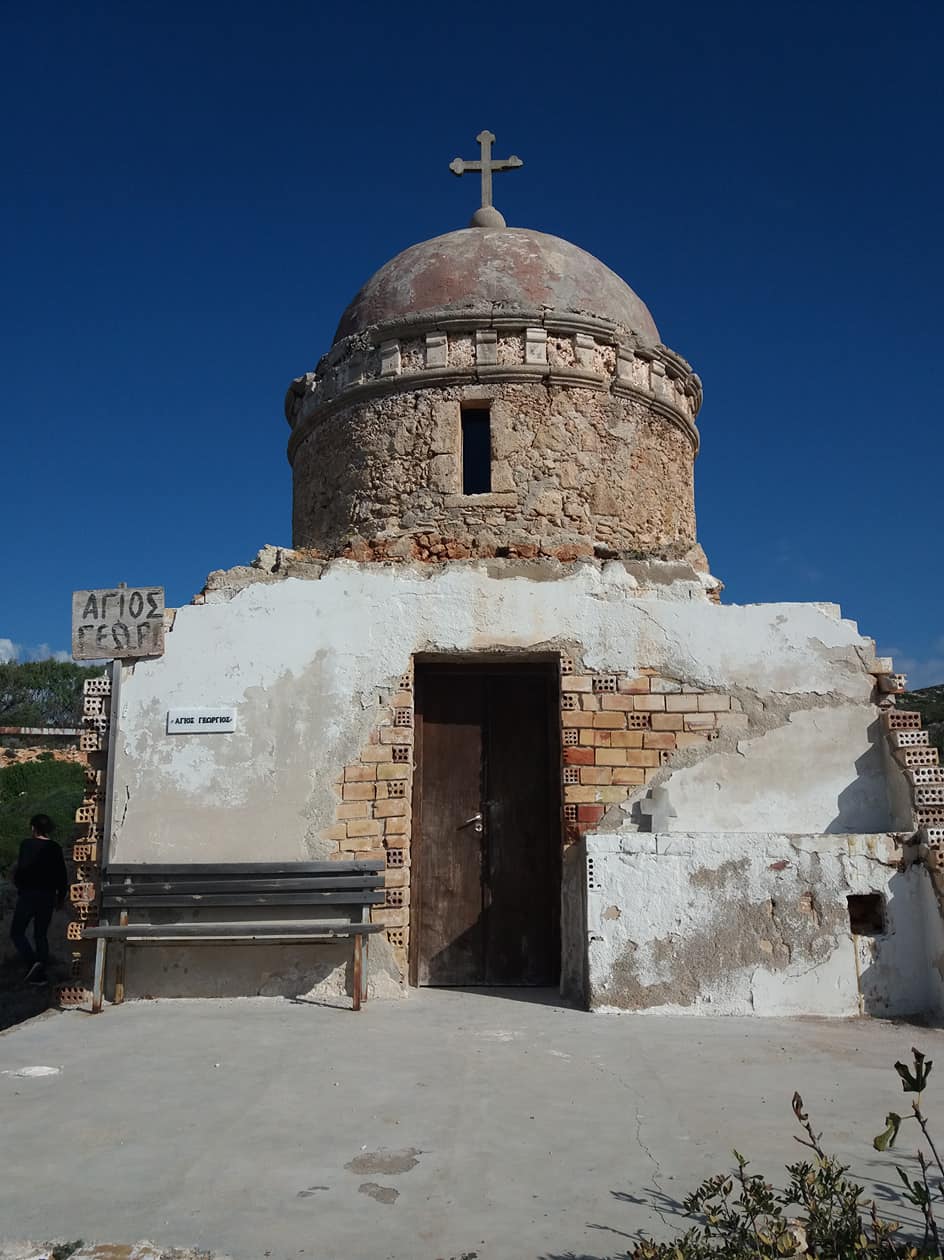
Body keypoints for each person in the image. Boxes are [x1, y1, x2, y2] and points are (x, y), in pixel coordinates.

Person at [10, 813, 68, 985]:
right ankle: (40, 973)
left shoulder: (26, 845)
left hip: (28, 895)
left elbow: (21, 869)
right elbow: (61, 875)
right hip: (48, 896)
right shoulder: (55, 847)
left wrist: (19, 886)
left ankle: (32, 962)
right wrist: (61, 897)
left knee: (17, 932)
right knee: (40, 935)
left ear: (33, 828)